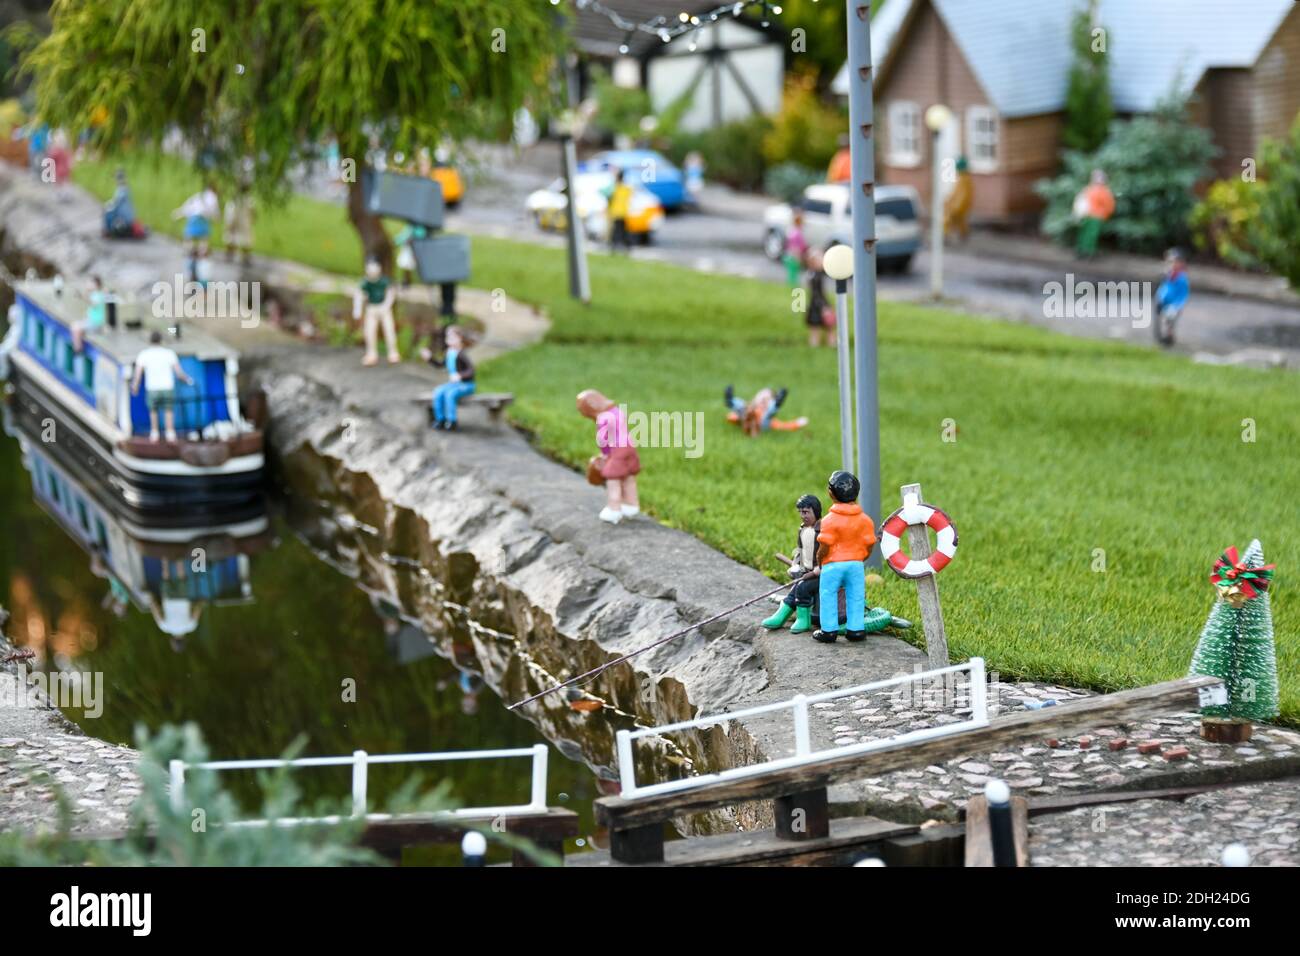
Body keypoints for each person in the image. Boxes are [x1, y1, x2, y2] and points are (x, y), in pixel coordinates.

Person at [812, 470, 877, 644]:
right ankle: (856, 629)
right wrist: (862, 557)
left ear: (831, 493)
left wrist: (820, 560)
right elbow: (870, 544)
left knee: (828, 594)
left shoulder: (829, 520)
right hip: (855, 564)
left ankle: (828, 630)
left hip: (833, 564)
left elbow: (824, 545)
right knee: (856, 595)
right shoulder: (865, 520)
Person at [577, 388, 640, 524]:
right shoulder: (617, 411)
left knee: (612, 478)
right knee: (629, 475)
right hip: (629, 447)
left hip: (617, 450)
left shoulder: (603, 419)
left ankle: (614, 508)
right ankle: (631, 504)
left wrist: (606, 455)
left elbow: (603, 440)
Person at [762, 494, 823, 634]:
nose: (803, 516)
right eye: (800, 512)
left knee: (802, 588)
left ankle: (804, 619)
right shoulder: (802, 529)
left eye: (806, 512)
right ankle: (780, 616)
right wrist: (796, 564)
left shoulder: (822, 531)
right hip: (806, 571)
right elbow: (800, 551)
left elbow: (827, 553)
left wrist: (818, 569)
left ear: (815, 511)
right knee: (794, 590)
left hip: (820, 573)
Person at [130, 331, 195, 442]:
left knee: (153, 410)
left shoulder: (144, 354)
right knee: (168, 410)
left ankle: (154, 433)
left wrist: (135, 386)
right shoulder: (169, 353)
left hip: (152, 388)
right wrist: (189, 380)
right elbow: (179, 373)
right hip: (167, 387)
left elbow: (138, 374)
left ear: (150, 340)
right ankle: (170, 433)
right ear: (161, 340)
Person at [353, 259, 400, 366]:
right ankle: (371, 353)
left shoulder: (384, 281)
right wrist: (357, 309)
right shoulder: (365, 283)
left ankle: (393, 352)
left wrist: (386, 305)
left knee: (389, 330)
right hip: (372, 308)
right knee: (370, 331)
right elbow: (359, 295)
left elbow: (391, 293)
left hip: (384, 309)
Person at [430, 325, 476, 430]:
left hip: (466, 385)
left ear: (459, 338)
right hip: (454, 384)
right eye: (448, 337)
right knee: (438, 391)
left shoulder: (461, 354)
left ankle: (452, 421)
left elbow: (471, 370)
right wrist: (430, 358)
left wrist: (460, 375)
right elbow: (440, 365)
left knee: (450, 395)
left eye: (452, 337)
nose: (449, 340)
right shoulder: (449, 353)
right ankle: (440, 419)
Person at [174, 183, 220, 280]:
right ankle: (201, 270)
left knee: (190, 246)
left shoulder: (199, 196)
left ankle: (190, 267)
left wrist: (177, 214)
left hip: (192, 222)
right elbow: (215, 214)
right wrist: (216, 219)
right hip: (202, 222)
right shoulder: (213, 197)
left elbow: (187, 207)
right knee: (203, 247)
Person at [724, 385, 806, 435]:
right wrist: (735, 417)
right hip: (747, 416)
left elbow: (784, 426)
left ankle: (777, 403)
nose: (763, 400)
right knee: (743, 407)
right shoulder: (749, 407)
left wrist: (798, 423)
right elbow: (731, 417)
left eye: (767, 399)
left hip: (764, 422)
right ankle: (731, 400)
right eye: (762, 397)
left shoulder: (769, 417)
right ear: (755, 397)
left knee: (767, 415)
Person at [1072, 168, 1115, 258]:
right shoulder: (1093, 189)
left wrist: (1104, 214)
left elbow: (1109, 205)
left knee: (1089, 234)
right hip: (1090, 215)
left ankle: (1085, 252)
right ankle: (1084, 252)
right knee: (1086, 234)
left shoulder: (1099, 190)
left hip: (1092, 216)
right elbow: (1081, 201)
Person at [1155, 247, 1190, 344]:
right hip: (1163, 302)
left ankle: (1168, 337)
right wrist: (1159, 298)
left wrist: (1178, 306)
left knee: (1169, 321)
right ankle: (1163, 337)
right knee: (1162, 321)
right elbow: (1163, 288)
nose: (1171, 265)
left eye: (1173, 262)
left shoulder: (1182, 279)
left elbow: (1183, 294)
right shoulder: (1168, 275)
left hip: (1174, 305)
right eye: (1169, 262)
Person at [805, 250, 833, 347]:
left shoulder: (813, 274)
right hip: (818, 306)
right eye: (820, 259)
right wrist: (824, 307)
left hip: (815, 305)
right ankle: (829, 344)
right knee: (822, 328)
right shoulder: (816, 276)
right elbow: (817, 294)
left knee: (821, 328)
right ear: (813, 262)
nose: (822, 262)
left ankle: (826, 344)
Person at [72, 275, 106, 351]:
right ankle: (78, 346)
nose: (88, 284)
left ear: (95, 284)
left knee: (76, 327)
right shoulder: (94, 294)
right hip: (92, 322)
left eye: (90, 282)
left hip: (96, 323)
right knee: (76, 325)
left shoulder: (98, 295)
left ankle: (78, 349)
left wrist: (81, 296)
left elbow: (94, 303)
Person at [943, 156, 973, 241]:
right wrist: (948, 199)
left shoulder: (964, 180)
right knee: (961, 222)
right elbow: (955, 193)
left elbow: (963, 196)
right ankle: (964, 235)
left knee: (948, 219)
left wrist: (955, 206)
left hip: (960, 206)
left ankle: (945, 235)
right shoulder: (961, 179)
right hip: (959, 205)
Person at [103, 168, 139, 238]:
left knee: (108, 213)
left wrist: (107, 205)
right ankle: (109, 230)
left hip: (125, 217)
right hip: (123, 214)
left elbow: (117, 202)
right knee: (108, 211)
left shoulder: (123, 189)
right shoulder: (122, 188)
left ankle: (109, 231)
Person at [223, 187, 255, 265]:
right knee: (234, 239)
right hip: (239, 223)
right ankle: (235, 256)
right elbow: (252, 212)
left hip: (242, 223)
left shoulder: (246, 200)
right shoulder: (242, 200)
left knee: (237, 239)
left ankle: (242, 257)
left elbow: (251, 212)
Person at [606, 169, 633, 254]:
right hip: (624, 213)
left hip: (616, 212)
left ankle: (614, 248)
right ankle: (627, 247)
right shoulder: (627, 188)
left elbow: (607, 196)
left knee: (616, 232)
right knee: (624, 231)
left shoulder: (614, 188)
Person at [783, 211, 808, 288]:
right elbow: (797, 247)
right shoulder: (797, 233)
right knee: (793, 273)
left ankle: (791, 285)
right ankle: (792, 286)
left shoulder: (792, 231)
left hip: (789, 255)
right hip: (794, 256)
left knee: (791, 272)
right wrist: (798, 256)